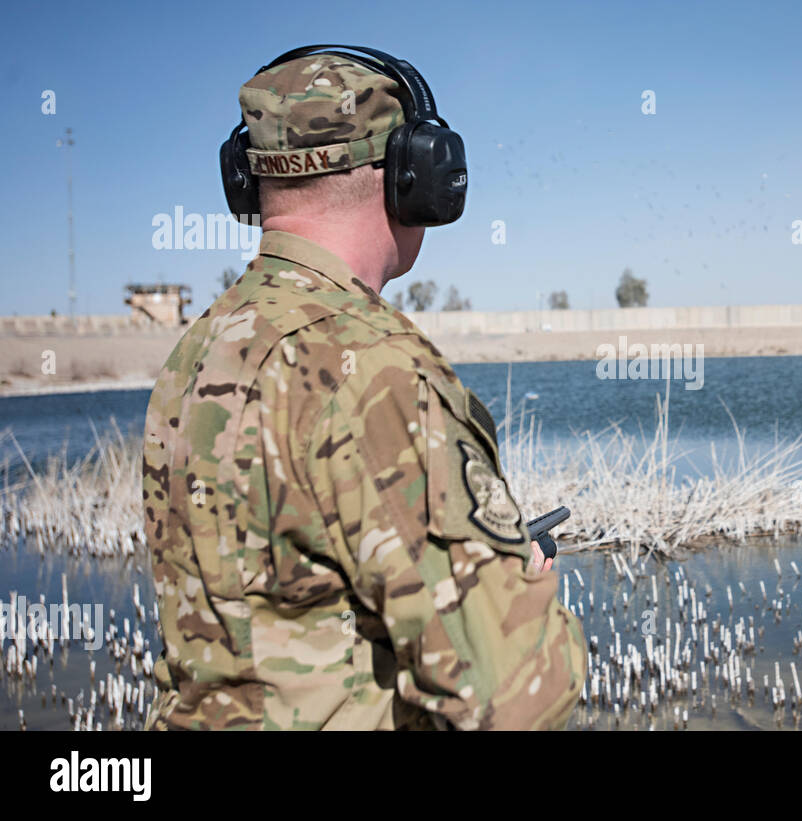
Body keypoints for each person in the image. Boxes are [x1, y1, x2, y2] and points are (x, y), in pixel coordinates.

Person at [142, 49, 585, 730]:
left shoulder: (195, 352)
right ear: (417, 175)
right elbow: (515, 697)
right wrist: (525, 593)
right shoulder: (373, 368)